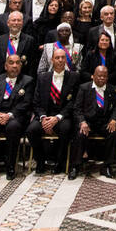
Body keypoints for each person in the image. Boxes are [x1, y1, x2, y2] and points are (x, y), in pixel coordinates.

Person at [27, 46, 80, 177]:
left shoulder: (74, 77)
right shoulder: (42, 77)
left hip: (62, 116)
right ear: (52, 60)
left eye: (63, 58)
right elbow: (36, 101)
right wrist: (43, 118)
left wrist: (57, 118)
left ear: (66, 60)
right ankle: (40, 161)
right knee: (31, 130)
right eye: (57, 58)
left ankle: (59, 162)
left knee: (66, 129)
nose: (60, 60)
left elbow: (74, 102)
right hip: (44, 115)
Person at [75, 64, 116, 177]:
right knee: (80, 133)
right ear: (93, 76)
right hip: (88, 122)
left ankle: (107, 166)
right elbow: (77, 109)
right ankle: (76, 166)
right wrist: (82, 122)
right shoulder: (84, 88)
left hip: (104, 122)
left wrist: (114, 120)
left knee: (114, 132)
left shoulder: (111, 89)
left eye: (104, 76)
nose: (101, 78)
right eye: (99, 76)